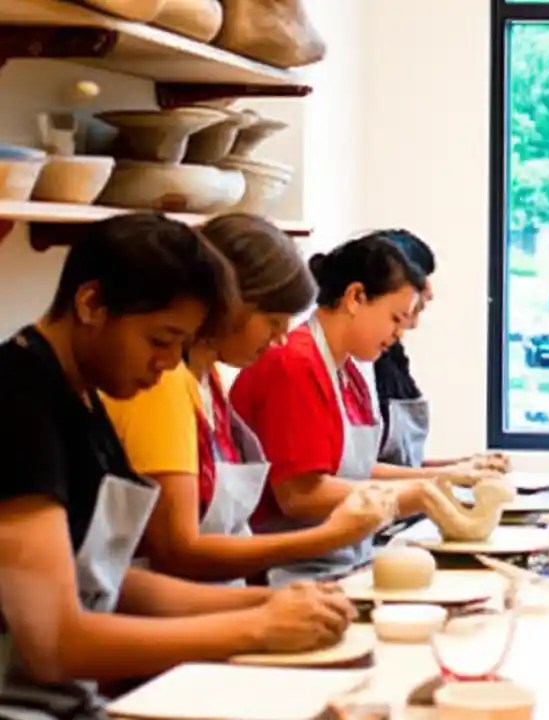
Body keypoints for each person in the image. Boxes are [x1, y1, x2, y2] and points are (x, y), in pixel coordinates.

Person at [0, 213, 354, 719]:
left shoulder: (82, 395)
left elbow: (110, 582)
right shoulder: (18, 398)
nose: (169, 364)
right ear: (91, 304)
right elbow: (53, 641)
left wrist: (273, 602)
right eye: (160, 340)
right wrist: (255, 628)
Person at [101, 215, 392, 584]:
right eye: (272, 320)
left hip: (222, 597)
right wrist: (328, 536)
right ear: (227, 304)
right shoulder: (164, 385)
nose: (281, 337)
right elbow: (178, 551)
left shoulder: (211, 382)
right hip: (163, 615)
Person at [229, 234, 492, 586]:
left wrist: (445, 478)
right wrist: (413, 497)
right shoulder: (293, 364)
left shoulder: (347, 372)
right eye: (396, 318)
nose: (400, 333)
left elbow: (354, 469)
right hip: (287, 571)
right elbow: (300, 497)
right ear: (356, 298)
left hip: (339, 560)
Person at [368, 229, 505, 471]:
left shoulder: (392, 359)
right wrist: (448, 474)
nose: (411, 324)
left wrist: (465, 466)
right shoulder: (355, 364)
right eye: (402, 314)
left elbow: (404, 465)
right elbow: (357, 472)